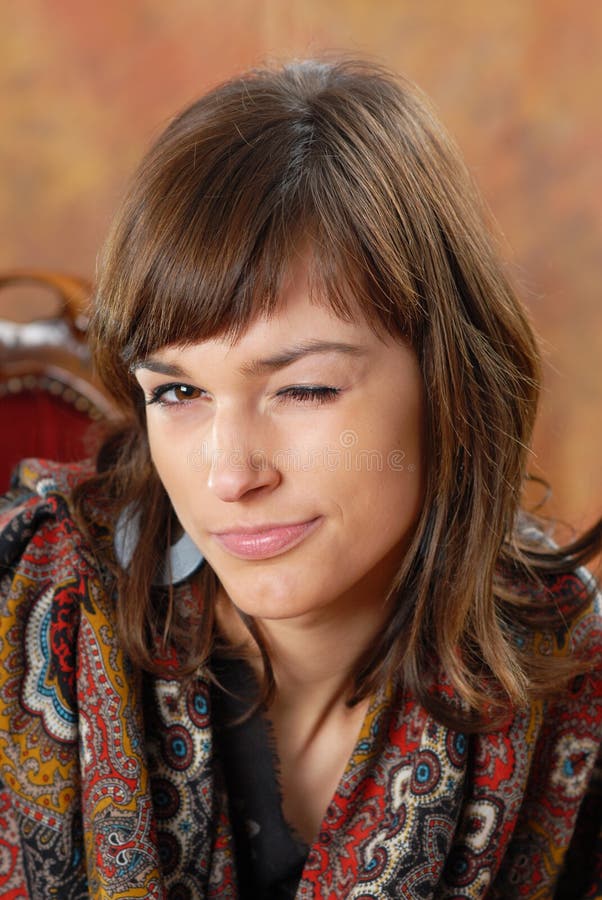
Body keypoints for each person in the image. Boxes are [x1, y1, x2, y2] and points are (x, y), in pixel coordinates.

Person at [0, 58, 601, 900]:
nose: (229, 475)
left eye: (305, 389)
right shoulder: (28, 612)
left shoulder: (577, 680)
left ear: (449, 380)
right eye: (178, 393)